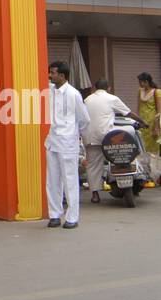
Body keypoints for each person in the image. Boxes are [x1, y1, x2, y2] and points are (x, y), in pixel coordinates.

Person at [47, 61, 89, 229]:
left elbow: (84, 119)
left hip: (68, 142)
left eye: (53, 73)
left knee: (69, 179)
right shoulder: (50, 90)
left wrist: (74, 135)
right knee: (52, 180)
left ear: (62, 76)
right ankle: (54, 215)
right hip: (52, 141)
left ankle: (72, 217)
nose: (50, 75)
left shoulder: (73, 94)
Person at [82, 78, 131, 203]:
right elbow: (128, 113)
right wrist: (142, 121)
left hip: (90, 136)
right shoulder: (112, 98)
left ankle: (95, 195)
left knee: (93, 166)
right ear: (108, 88)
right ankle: (122, 182)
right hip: (107, 137)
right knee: (120, 156)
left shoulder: (87, 99)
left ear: (94, 88)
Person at [135, 73, 161, 158]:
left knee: (153, 148)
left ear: (146, 81)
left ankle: (154, 169)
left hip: (152, 123)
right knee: (142, 146)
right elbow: (138, 107)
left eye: (140, 82)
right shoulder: (140, 91)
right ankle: (144, 169)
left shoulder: (156, 92)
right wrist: (137, 120)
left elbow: (159, 111)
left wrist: (156, 127)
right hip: (142, 123)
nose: (139, 84)